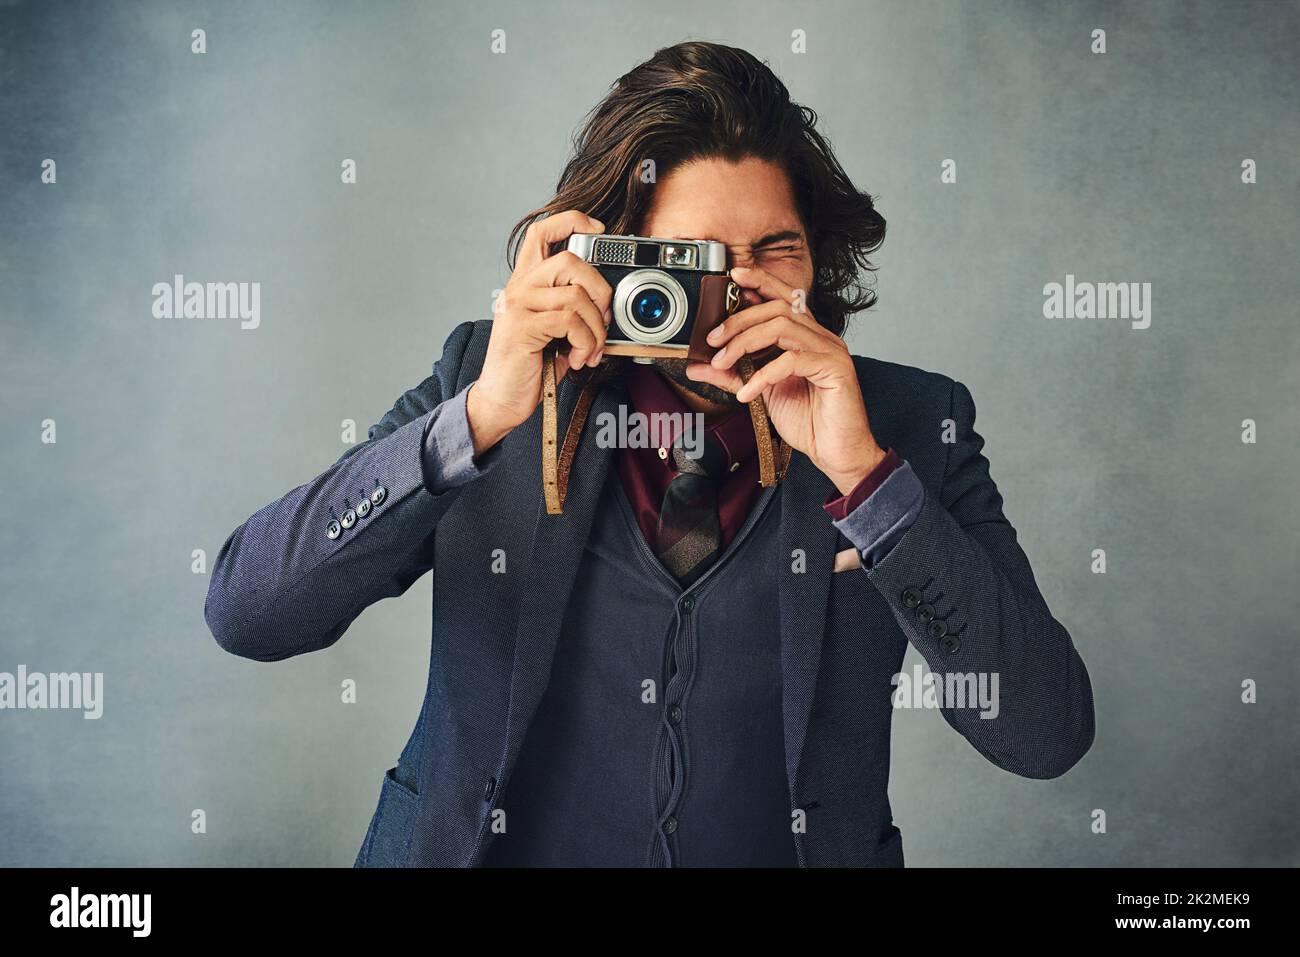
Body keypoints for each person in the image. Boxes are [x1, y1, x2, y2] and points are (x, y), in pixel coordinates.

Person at [205, 41, 1094, 867]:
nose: (734, 294)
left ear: (819, 257)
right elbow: (248, 610)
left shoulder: (911, 420)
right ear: (617, 258)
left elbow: (1046, 733)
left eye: (774, 252)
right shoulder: (486, 377)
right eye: (691, 261)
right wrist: (472, 422)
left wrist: (869, 480)